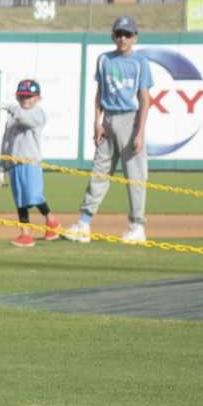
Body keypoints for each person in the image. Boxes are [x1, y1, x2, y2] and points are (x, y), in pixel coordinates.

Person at [66, 14, 154, 245]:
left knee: (135, 176)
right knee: (99, 172)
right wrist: (97, 122)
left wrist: (140, 132)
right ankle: (84, 224)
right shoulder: (104, 59)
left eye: (127, 34)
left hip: (130, 120)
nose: (122, 38)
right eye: (119, 34)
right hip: (108, 121)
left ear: (135, 37)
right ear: (113, 36)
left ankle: (137, 226)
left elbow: (145, 100)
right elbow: (99, 94)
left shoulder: (140, 63)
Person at [0, 79, 61, 247]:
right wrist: (1, 167)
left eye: (29, 96)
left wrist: (8, 107)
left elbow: (26, 120)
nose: (25, 99)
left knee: (34, 196)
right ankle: (25, 234)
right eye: (22, 96)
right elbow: (6, 141)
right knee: (20, 201)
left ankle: (52, 221)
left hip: (31, 162)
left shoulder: (38, 113)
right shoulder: (12, 117)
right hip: (14, 164)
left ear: (38, 98)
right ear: (17, 97)